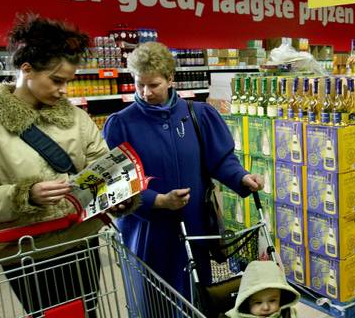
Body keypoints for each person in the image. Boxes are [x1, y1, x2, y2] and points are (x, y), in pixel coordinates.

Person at [0, 14, 134, 317]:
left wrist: (121, 190)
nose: (63, 91)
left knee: (88, 311)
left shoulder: (76, 118)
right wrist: (25, 195)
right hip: (27, 252)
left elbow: (101, 166)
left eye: (68, 82)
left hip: (80, 239)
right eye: (56, 80)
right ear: (26, 69)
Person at [102, 41, 263, 301]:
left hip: (194, 227)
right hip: (148, 234)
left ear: (170, 79)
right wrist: (158, 200)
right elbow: (114, 184)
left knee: (197, 296)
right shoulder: (120, 124)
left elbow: (220, 160)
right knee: (155, 301)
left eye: (153, 85)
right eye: (138, 84)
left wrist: (242, 177)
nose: (145, 92)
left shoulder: (198, 115)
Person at [225, 261, 300, 318]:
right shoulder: (235, 316)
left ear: (281, 298)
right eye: (258, 302)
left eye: (272, 300)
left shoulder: (288, 314)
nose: (266, 307)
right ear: (246, 301)